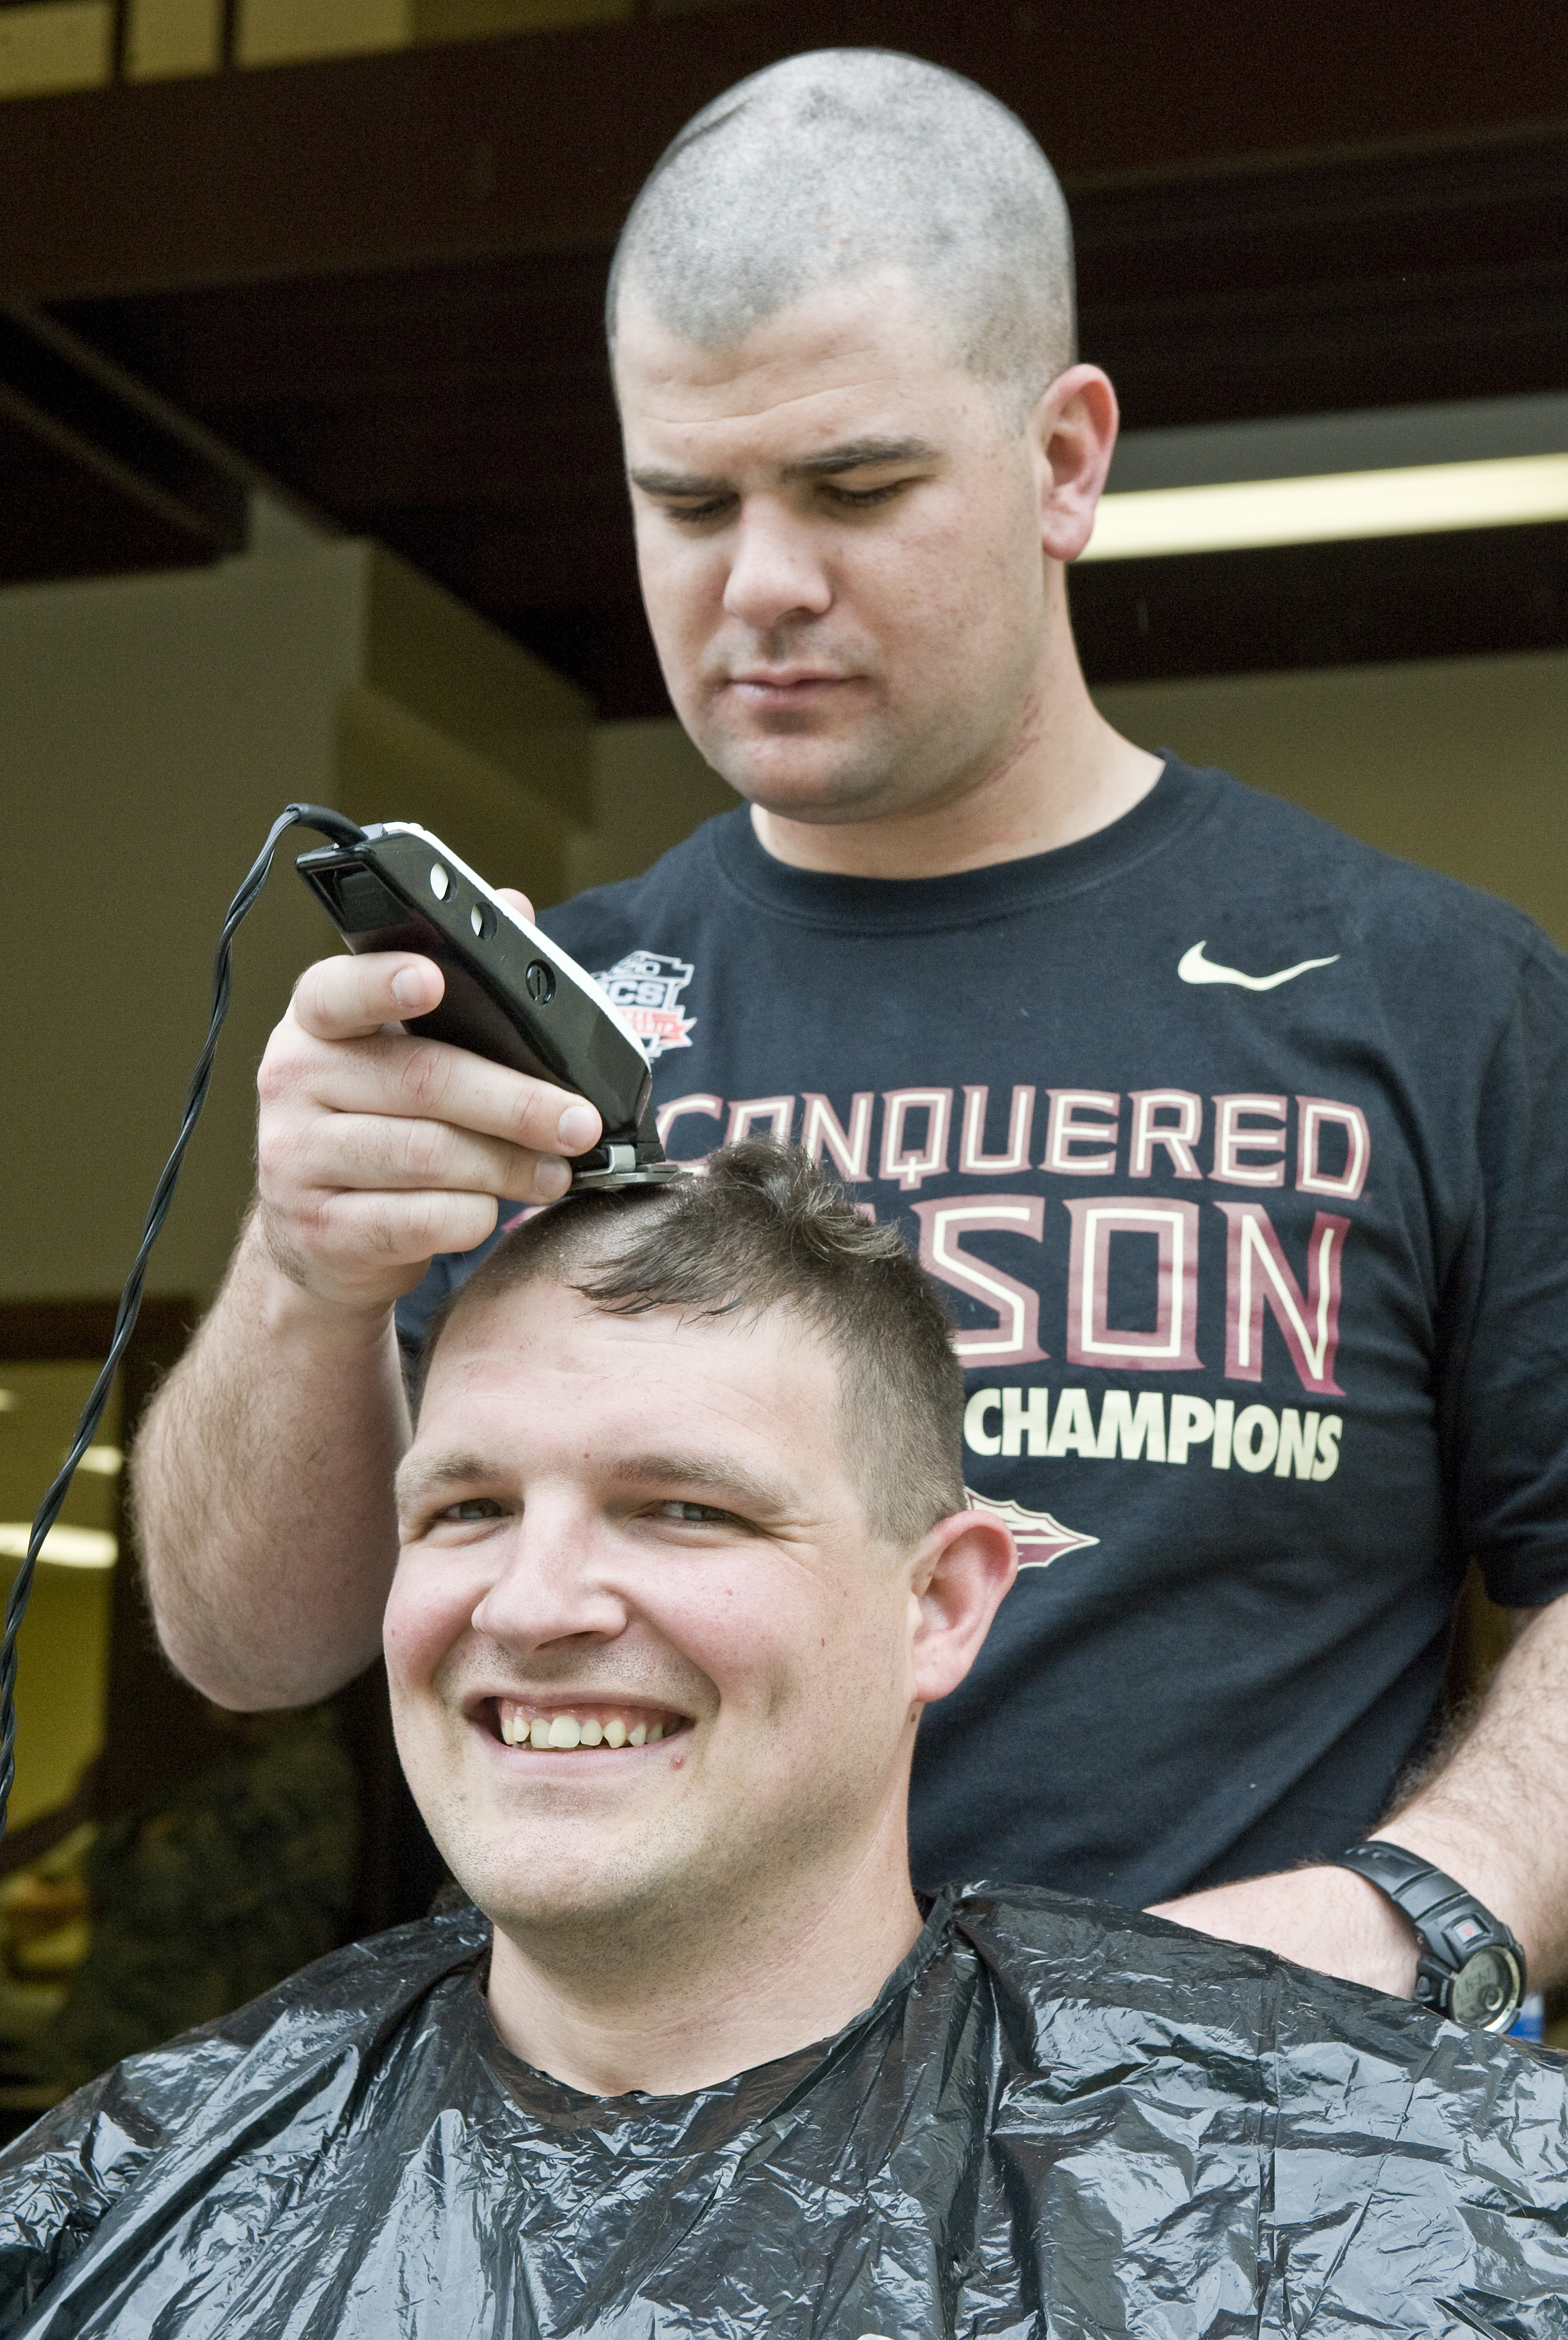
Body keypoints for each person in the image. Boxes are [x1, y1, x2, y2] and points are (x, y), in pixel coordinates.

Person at [132, 50, 1568, 2009]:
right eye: (687, 501)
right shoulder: (534, 1024)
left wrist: (1417, 1901)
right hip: (635, 2190)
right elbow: (245, 1645)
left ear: (1066, 459)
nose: (765, 584)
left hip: (1237, 2183)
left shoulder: (1438, 996)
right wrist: (302, 1277)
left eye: (857, 488)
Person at [9, 1148, 1568, 2340]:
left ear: (941, 1606)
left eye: (685, 1507)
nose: (536, 1602)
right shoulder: (137, 2190)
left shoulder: (1341, 2207)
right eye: (466, 1509)